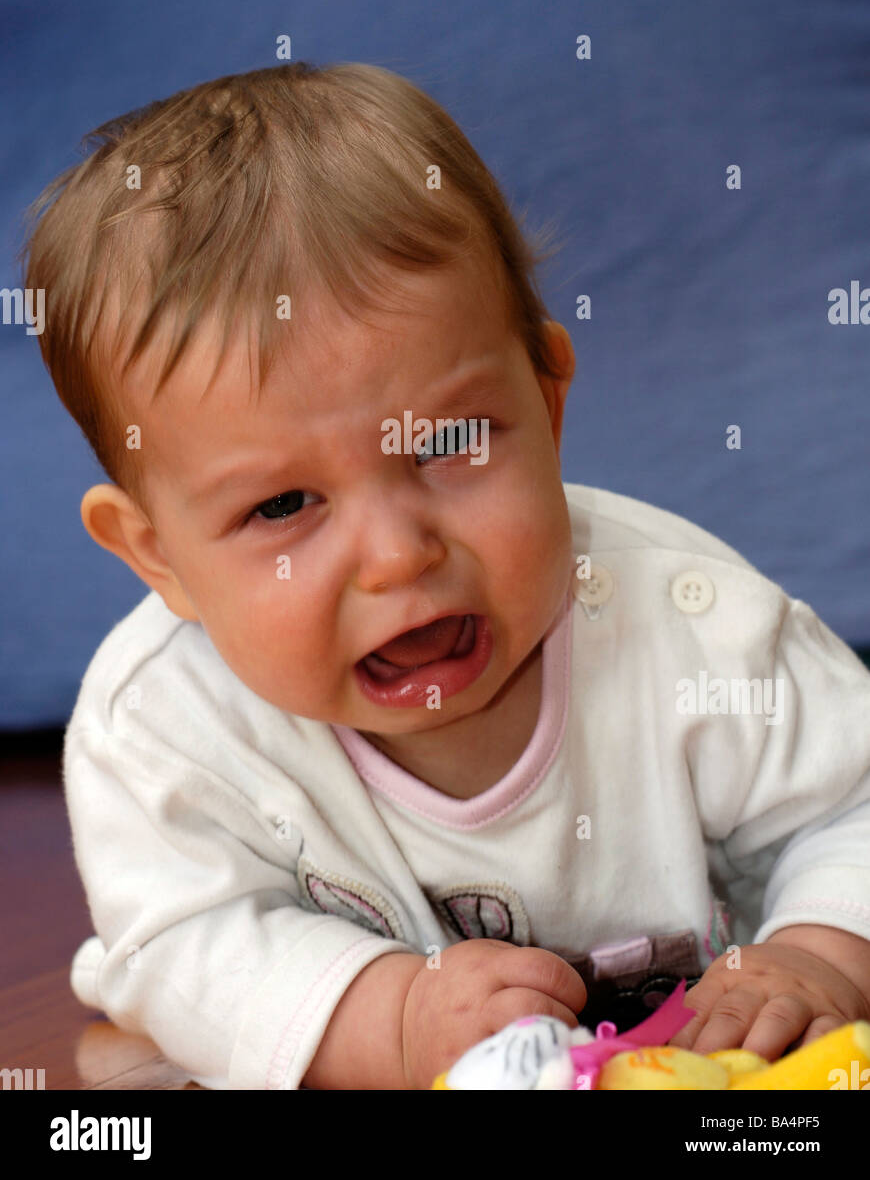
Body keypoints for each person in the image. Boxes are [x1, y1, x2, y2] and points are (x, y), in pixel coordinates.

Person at [19, 61, 870, 1090]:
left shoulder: (696, 630)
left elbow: (850, 805)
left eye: (451, 440)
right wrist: (393, 1016)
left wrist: (818, 952)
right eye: (283, 506)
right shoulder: (165, 725)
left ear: (547, 404)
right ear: (159, 556)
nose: (398, 553)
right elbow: (184, 944)